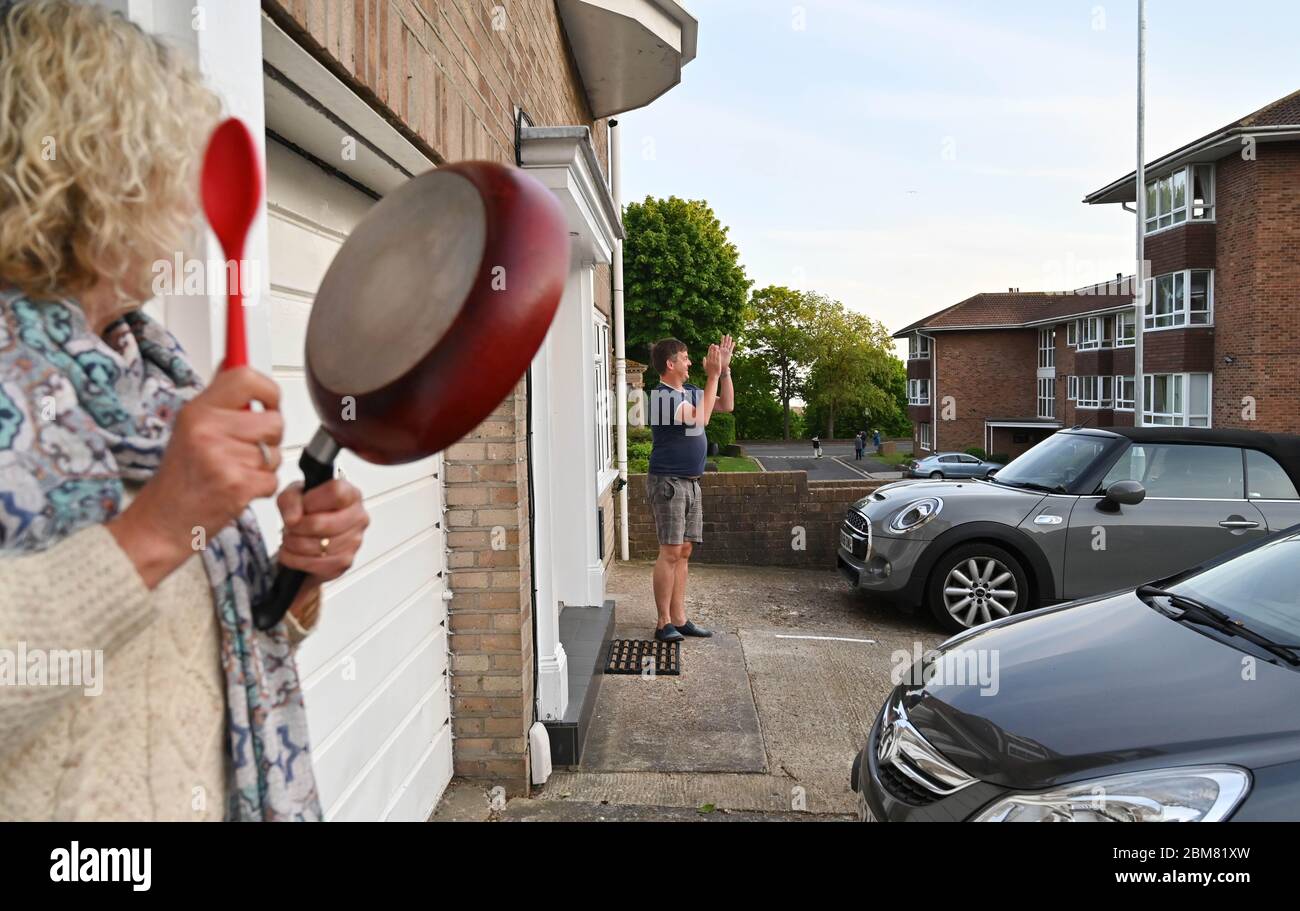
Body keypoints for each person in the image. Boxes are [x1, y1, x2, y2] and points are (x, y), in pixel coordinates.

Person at [0, 0, 370, 821]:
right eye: (172, 167)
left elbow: (215, 634)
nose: (189, 205)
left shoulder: (153, 381)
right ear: (100, 173)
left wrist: (296, 574)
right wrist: (158, 527)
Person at [645, 336, 735, 643]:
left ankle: (680, 619)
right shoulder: (660, 397)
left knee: (684, 552)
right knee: (670, 552)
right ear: (670, 364)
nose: (690, 362)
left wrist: (724, 372)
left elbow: (725, 405)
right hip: (668, 481)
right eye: (684, 358)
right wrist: (712, 376)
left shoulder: (692, 391)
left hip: (691, 482)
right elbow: (702, 419)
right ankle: (662, 622)